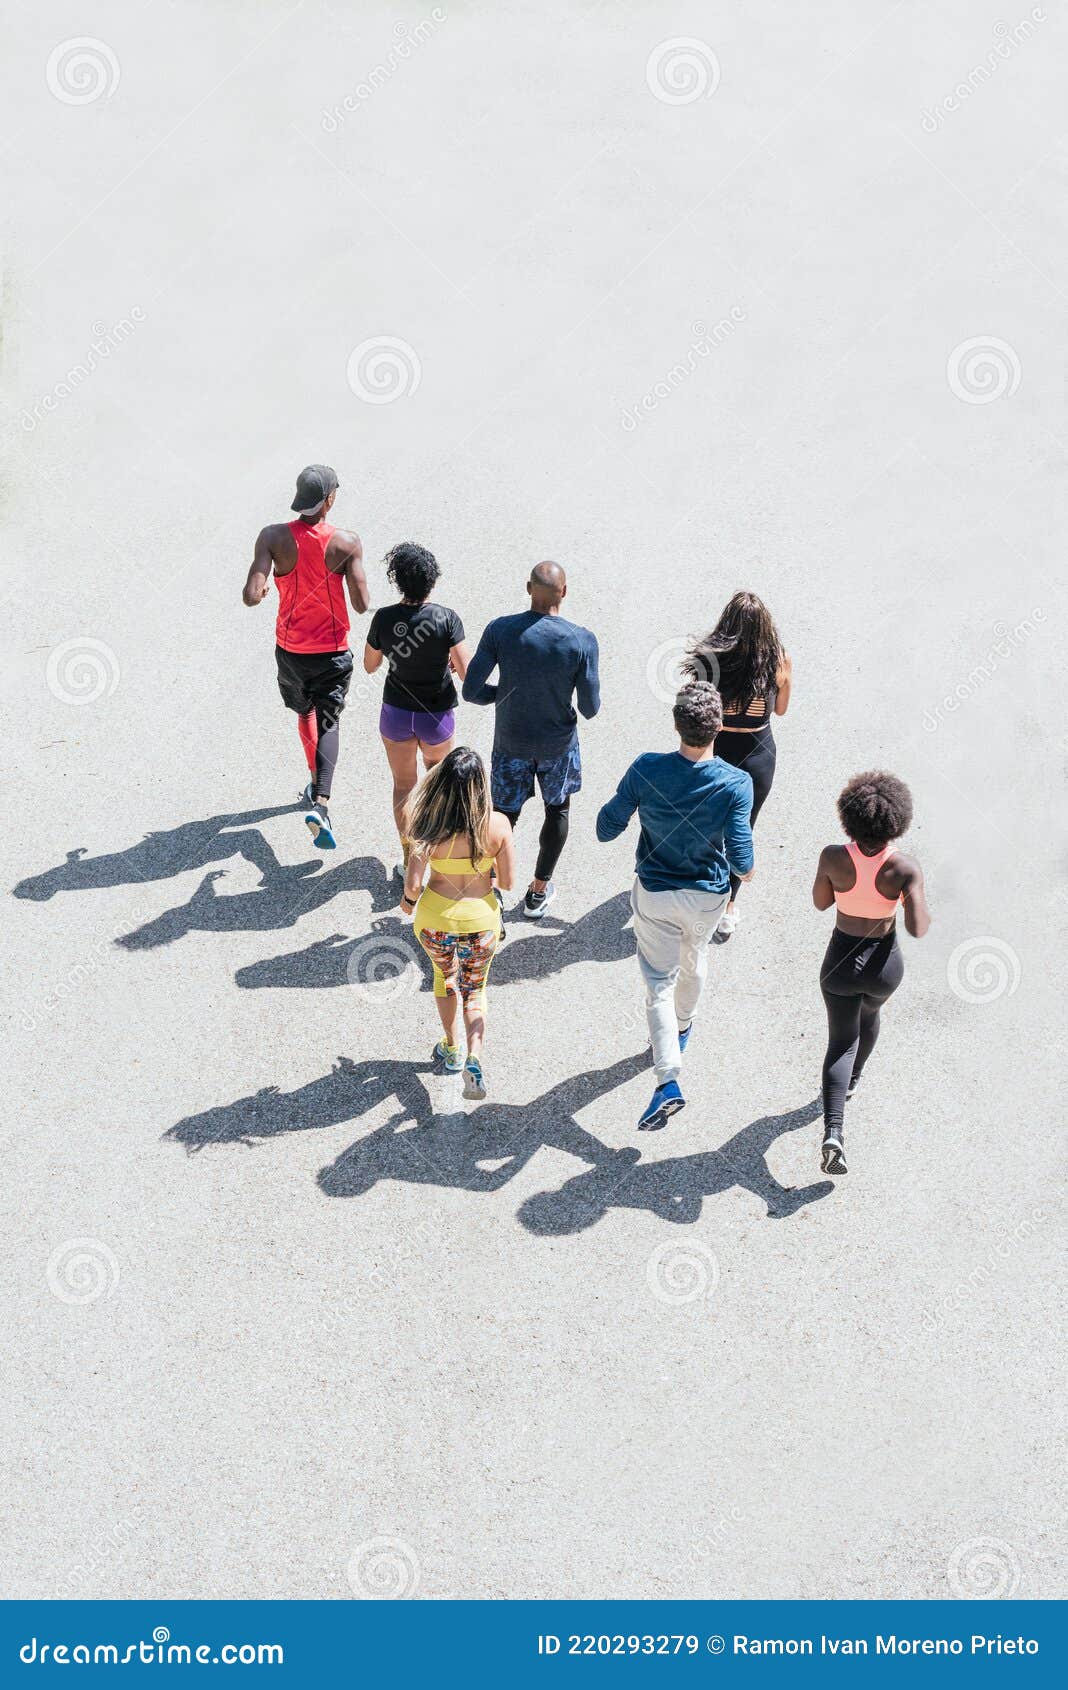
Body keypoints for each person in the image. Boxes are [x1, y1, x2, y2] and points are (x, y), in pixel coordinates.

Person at [596, 683, 754, 1130]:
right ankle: (684, 1027)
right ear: (719, 726)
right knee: (696, 956)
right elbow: (743, 862)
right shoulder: (736, 783)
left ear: (676, 725)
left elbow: (606, 829)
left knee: (658, 983)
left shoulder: (647, 769)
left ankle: (668, 1080)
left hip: (656, 892)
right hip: (708, 897)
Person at [462, 561, 599, 918]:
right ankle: (538, 891)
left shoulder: (500, 630)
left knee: (504, 814)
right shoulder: (581, 640)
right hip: (558, 747)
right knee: (558, 810)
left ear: (528, 588)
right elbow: (590, 708)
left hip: (511, 744)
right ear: (564, 593)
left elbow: (472, 691)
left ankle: (488, 888)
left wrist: (505, 693)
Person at [242, 464, 369, 850]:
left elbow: (251, 594)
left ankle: (314, 774)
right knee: (329, 721)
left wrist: (263, 590)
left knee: (306, 713)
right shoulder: (346, 543)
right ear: (329, 499)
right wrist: (347, 572)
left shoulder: (273, 537)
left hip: (291, 651)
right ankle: (322, 802)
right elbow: (363, 605)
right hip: (331, 653)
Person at [812, 770, 930, 1174]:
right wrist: (912, 889)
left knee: (840, 1041)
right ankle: (855, 1079)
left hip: (840, 963)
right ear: (897, 823)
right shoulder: (904, 867)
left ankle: (834, 1132)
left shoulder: (833, 857)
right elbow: (918, 928)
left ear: (850, 818)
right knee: (871, 1017)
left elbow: (821, 903)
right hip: (884, 965)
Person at [399, 747, 515, 1100]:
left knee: (444, 978)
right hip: (481, 920)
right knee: (474, 989)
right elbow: (508, 884)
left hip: (435, 920)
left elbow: (414, 885)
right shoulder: (497, 825)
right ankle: (474, 1059)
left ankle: (451, 1049)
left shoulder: (427, 824)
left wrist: (407, 903)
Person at [684, 591, 791, 941]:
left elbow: (695, 706)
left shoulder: (707, 659)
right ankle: (728, 906)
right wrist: (785, 680)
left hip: (713, 751)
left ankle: (697, 892)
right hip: (757, 754)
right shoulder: (776, 662)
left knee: (703, 824)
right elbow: (780, 710)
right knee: (741, 830)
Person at [364, 542, 470, 877]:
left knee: (403, 785)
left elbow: (369, 665)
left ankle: (411, 857)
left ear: (398, 581)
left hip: (396, 713)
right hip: (436, 716)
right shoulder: (446, 618)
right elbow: (467, 672)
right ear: (432, 581)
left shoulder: (384, 618)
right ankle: (439, 855)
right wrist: (447, 661)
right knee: (438, 785)